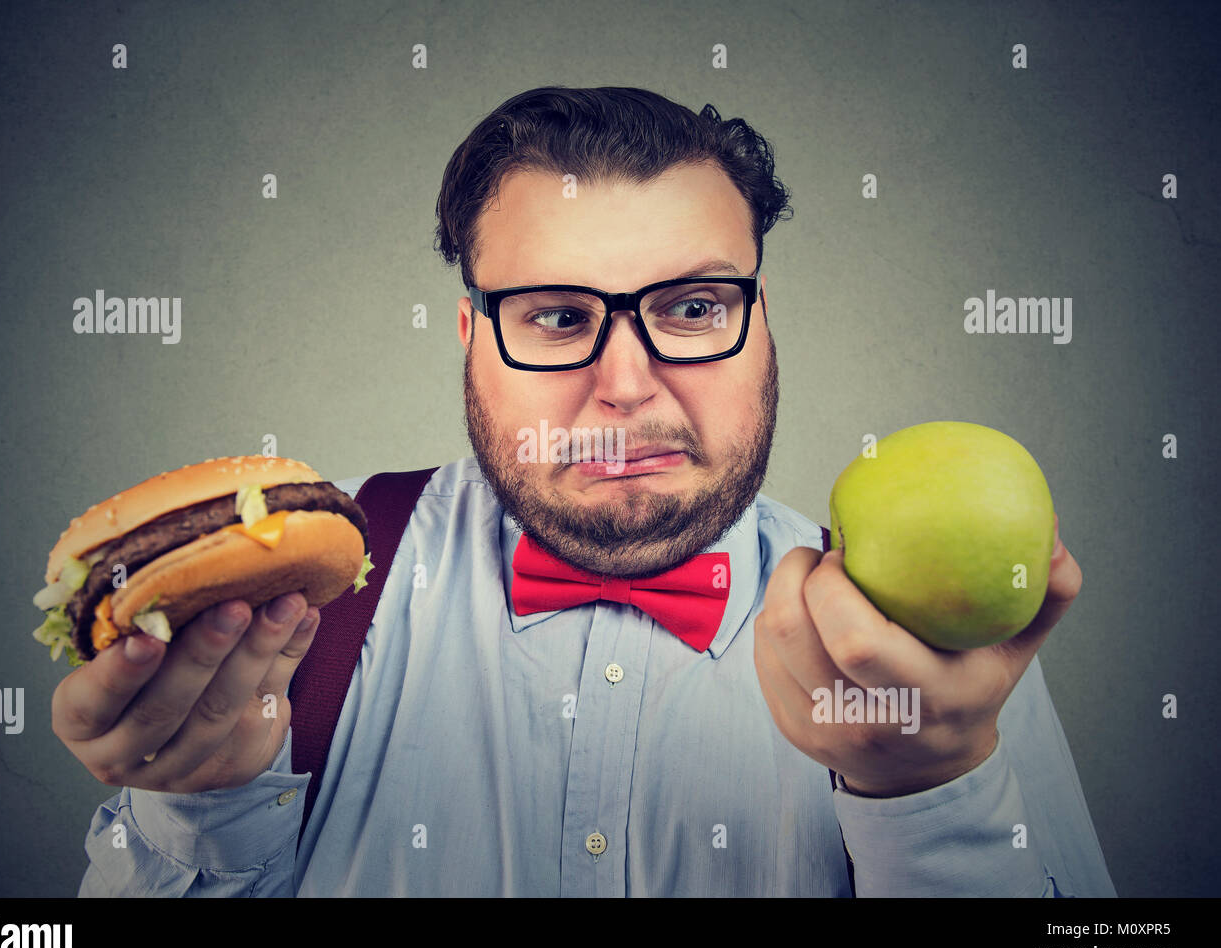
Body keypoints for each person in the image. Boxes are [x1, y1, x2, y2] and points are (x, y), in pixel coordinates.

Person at [58, 85, 1116, 897]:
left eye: (694, 307)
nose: (625, 383)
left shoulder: (923, 651)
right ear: (473, 339)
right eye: (558, 317)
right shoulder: (289, 597)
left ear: (760, 324)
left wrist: (928, 798)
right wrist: (197, 812)